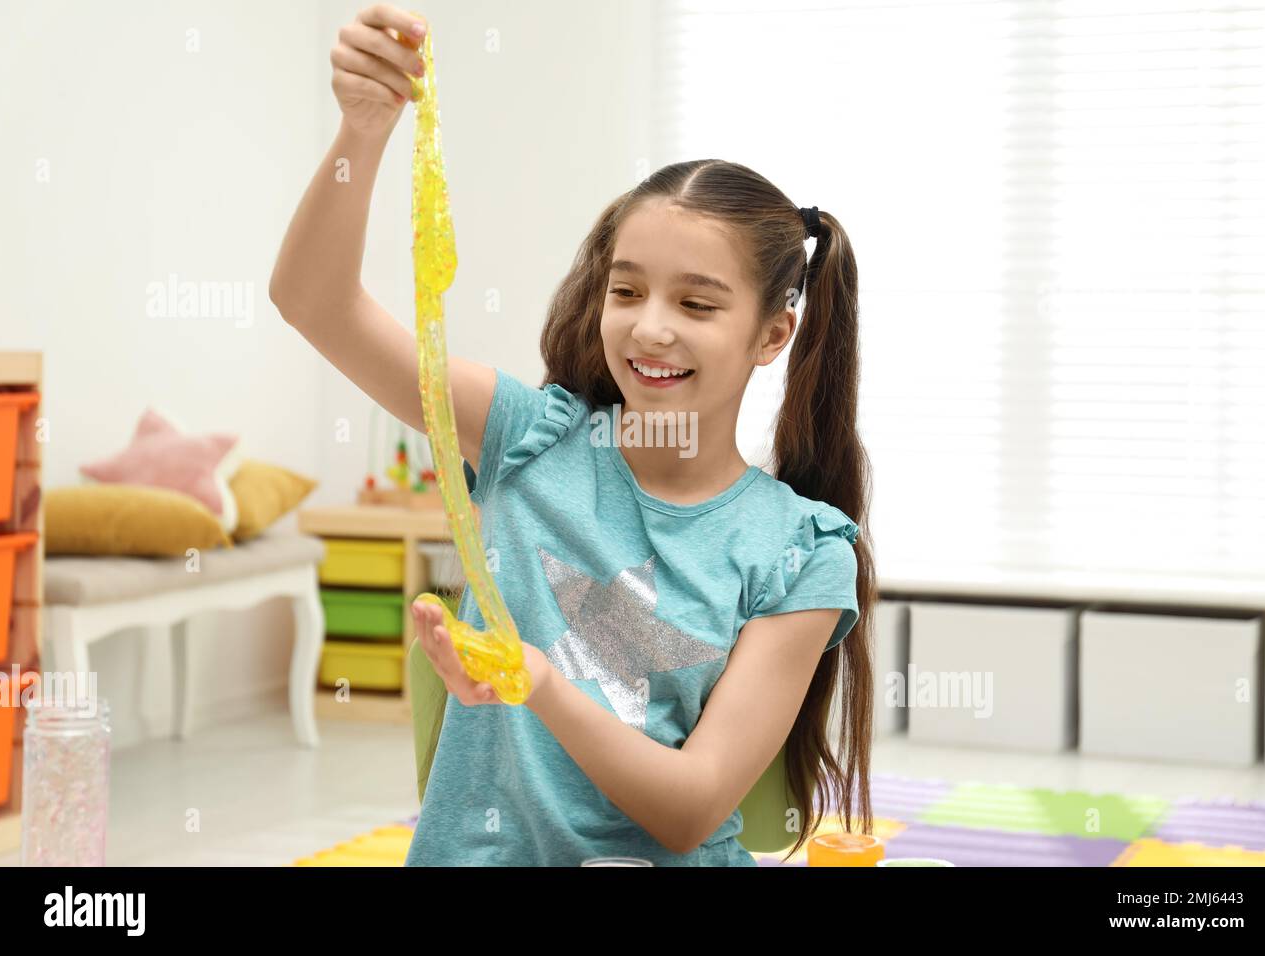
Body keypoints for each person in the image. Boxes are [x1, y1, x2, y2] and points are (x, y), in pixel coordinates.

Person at [270, 4, 877, 866]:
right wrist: (362, 131)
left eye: (697, 304)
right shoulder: (529, 438)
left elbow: (693, 808)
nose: (649, 329)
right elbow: (314, 303)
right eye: (626, 293)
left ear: (772, 335)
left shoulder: (801, 551)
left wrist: (539, 683)